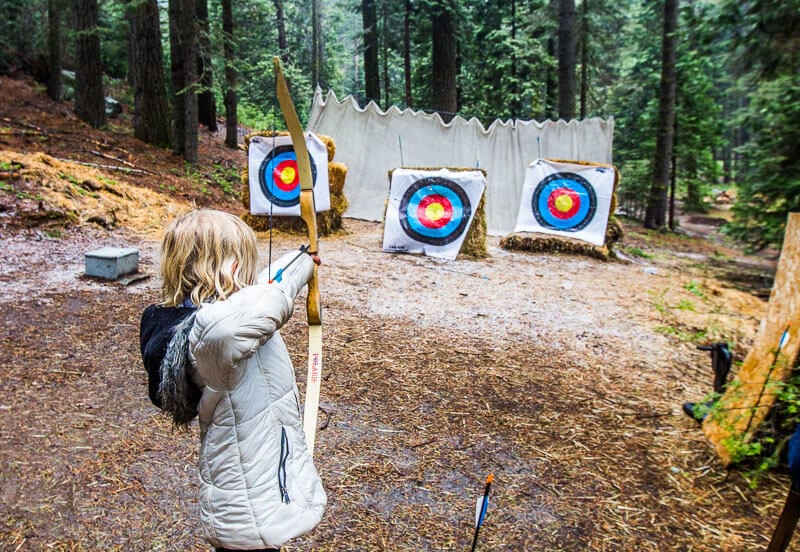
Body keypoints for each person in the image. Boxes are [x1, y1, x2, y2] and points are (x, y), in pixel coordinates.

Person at [139, 209, 326, 551]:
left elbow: (266, 287)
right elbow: (258, 303)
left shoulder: (217, 316)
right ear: (232, 267)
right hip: (243, 498)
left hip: (255, 478)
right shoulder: (210, 334)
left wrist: (303, 261)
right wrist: (291, 279)